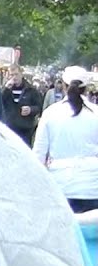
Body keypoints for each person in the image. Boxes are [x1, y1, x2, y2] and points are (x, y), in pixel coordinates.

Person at [33, 66, 98, 214]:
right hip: (92, 187)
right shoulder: (96, 113)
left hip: (60, 185)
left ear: (63, 85)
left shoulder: (51, 113)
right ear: (86, 88)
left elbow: (39, 154)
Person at [1, 64, 43, 146]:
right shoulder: (6, 89)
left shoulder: (31, 90)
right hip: (9, 129)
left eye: (16, 74)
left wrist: (31, 109)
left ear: (21, 74)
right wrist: (5, 89)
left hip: (25, 130)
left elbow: (39, 107)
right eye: (11, 75)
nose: (14, 77)